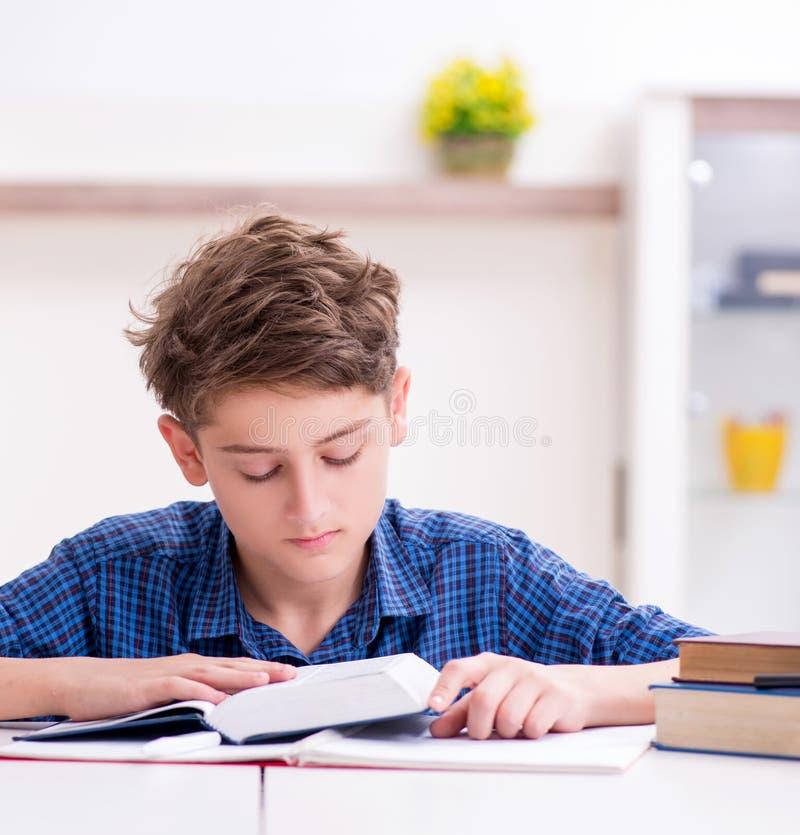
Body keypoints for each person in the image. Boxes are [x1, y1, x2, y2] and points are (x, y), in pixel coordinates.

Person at [0, 213, 709, 739]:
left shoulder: (487, 574)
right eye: (259, 469)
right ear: (188, 452)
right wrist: (75, 680)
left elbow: (756, 679)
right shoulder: (113, 577)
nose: (309, 506)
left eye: (341, 455)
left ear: (396, 407)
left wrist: (585, 692)